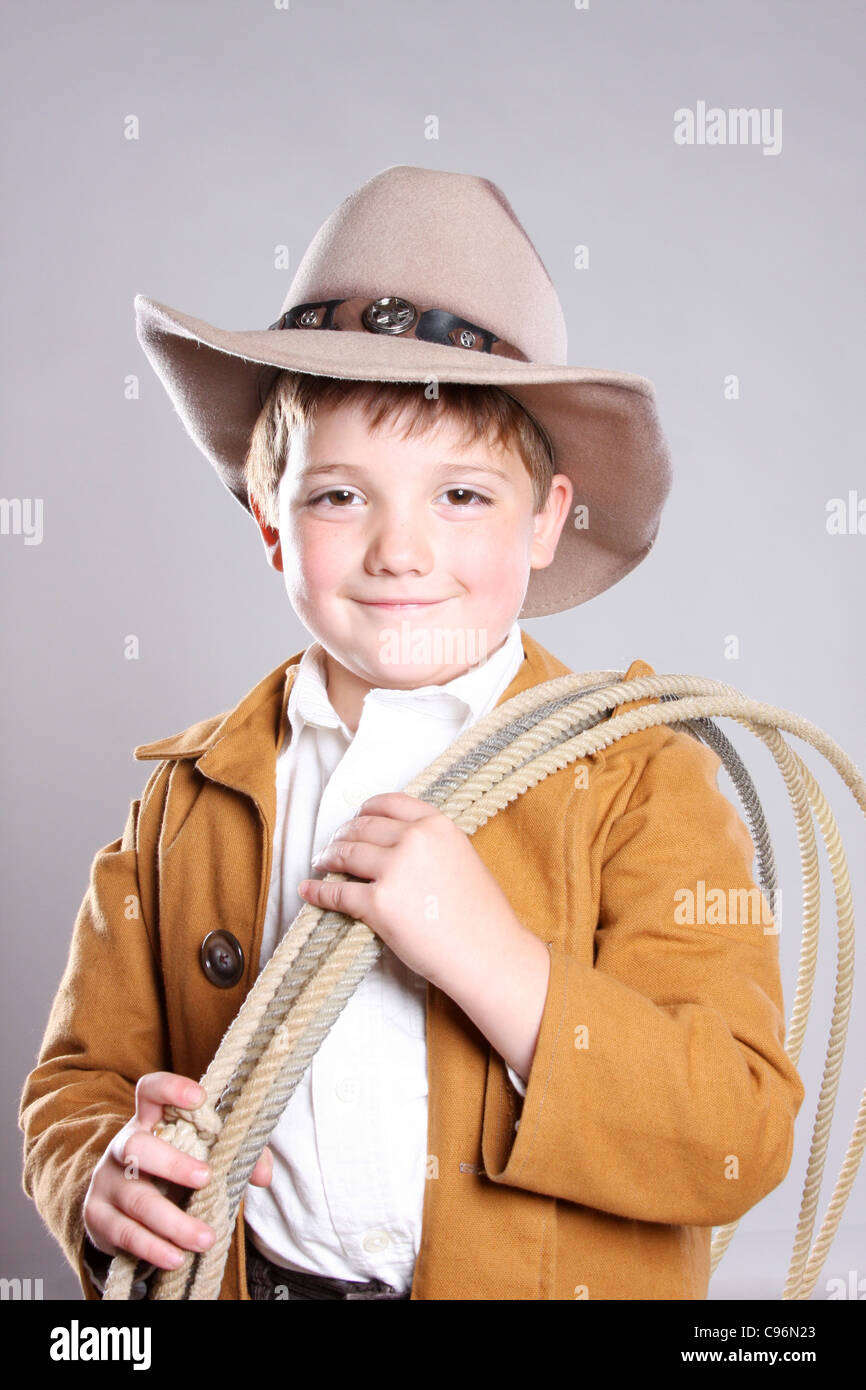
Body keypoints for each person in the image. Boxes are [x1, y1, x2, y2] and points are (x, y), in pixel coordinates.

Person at [18, 165, 805, 1300]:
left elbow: (736, 1127)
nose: (398, 551)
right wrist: (96, 1170)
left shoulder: (639, 782)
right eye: (340, 496)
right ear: (268, 520)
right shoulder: (189, 799)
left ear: (543, 520)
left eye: (461, 497)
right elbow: (77, 1076)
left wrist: (496, 964)